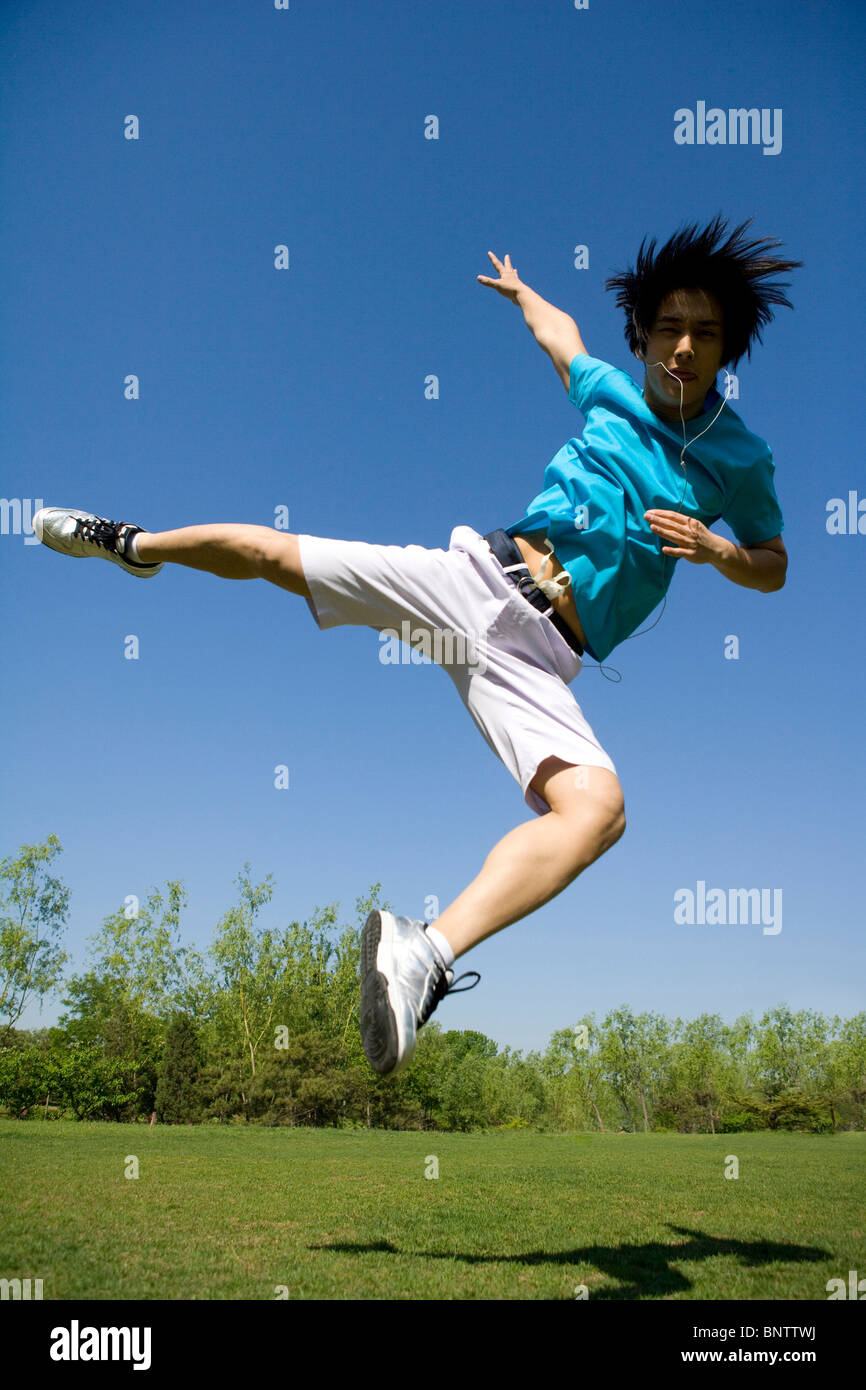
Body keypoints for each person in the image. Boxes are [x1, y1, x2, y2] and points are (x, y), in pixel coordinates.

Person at [33, 214, 800, 1078]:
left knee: (598, 812)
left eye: (705, 333)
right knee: (273, 556)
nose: (684, 348)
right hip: (474, 583)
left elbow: (773, 563)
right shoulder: (609, 392)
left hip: (541, 656)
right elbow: (561, 337)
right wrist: (522, 295)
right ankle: (134, 545)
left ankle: (424, 952)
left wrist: (723, 551)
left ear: (727, 347)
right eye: (668, 328)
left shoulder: (741, 457)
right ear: (644, 336)